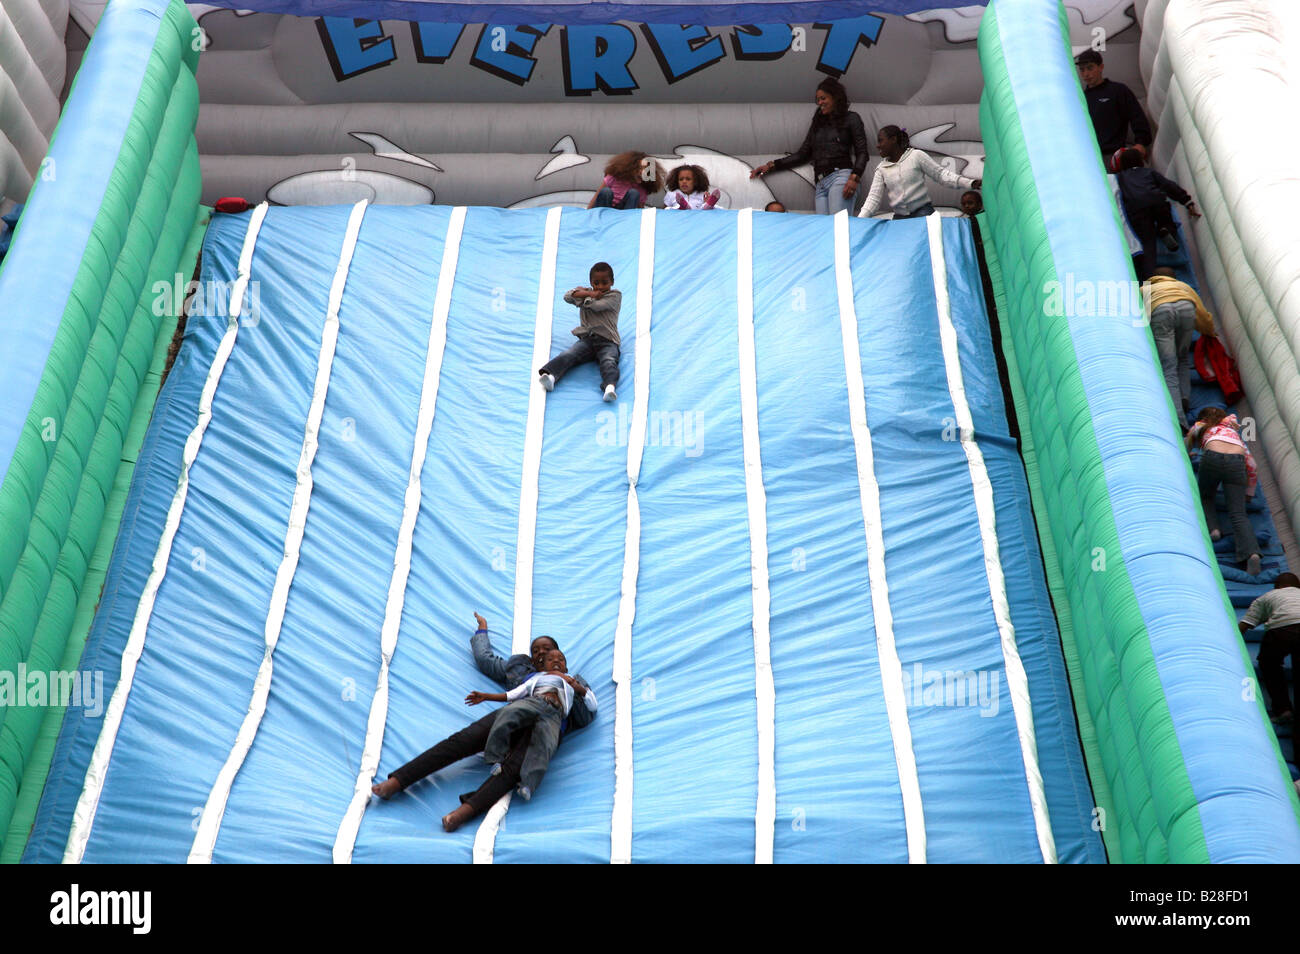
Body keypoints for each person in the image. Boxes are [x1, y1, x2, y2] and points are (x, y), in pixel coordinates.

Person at [371, 613, 596, 831]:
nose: (541, 653)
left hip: (546, 728)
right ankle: (399, 781)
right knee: (460, 741)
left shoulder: (572, 682)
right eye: (536, 651)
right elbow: (485, 659)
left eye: (548, 650)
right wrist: (482, 630)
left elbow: (586, 716)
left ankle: (464, 812)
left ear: (561, 658)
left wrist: (576, 690)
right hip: (513, 715)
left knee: (513, 772)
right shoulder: (522, 674)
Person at [468, 649, 595, 801]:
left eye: (560, 659)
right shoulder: (537, 679)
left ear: (566, 668)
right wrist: (487, 696)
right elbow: (513, 694)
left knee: (545, 744)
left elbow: (592, 705)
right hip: (535, 702)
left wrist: (576, 686)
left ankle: (528, 784)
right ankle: (495, 757)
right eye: (550, 659)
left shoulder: (571, 682)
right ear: (543, 667)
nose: (556, 661)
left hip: (555, 714)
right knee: (508, 714)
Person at [749, 77, 869, 215]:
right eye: (818, 100)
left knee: (838, 228)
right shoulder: (818, 122)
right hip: (821, 184)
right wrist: (771, 166)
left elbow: (862, 152)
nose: (820, 103)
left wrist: (854, 178)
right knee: (824, 231)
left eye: (823, 98)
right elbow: (803, 154)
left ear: (835, 97)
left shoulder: (851, 118)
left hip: (840, 177)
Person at [1186, 407, 1260, 575]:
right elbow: (1252, 465)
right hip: (1237, 460)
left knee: (1205, 496)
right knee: (1239, 513)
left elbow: (1186, 443)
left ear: (1204, 418)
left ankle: (1214, 529)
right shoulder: (1233, 432)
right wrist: (1249, 493)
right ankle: (1252, 553)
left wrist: (1188, 453)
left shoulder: (1201, 426)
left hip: (1212, 456)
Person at [538, 262, 622, 402]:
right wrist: (589, 293)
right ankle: (551, 377)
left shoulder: (615, 296)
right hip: (588, 339)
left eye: (604, 283)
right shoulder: (590, 293)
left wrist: (583, 295)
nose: (600, 287)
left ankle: (609, 387)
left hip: (608, 341)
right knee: (569, 354)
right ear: (591, 282)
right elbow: (567, 296)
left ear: (612, 282)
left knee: (609, 361)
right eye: (596, 283)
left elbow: (596, 306)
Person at [856, 125, 981, 220]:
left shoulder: (916, 155)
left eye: (880, 141)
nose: (877, 146)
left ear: (893, 140)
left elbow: (941, 175)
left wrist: (969, 183)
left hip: (923, 213)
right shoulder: (881, 168)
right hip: (900, 218)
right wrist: (860, 220)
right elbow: (873, 199)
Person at [1116, 147, 1201, 280]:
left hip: (1137, 208)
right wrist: (1187, 202)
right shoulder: (1149, 172)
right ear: (1140, 161)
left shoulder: (1121, 178)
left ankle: (1149, 276)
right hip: (1156, 200)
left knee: (1147, 242)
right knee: (1166, 218)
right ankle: (1166, 230)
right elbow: (1169, 186)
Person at [1144, 267, 1214, 419]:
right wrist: (1209, 331)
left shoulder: (1146, 288)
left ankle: (1178, 417)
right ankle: (1184, 398)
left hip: (1160, 309)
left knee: (1168, 365)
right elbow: (1202, 314)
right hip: (1186, 307)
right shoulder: (1183, 286)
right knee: (1182, 357)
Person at [1239, 573, 1300, 724]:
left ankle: (1283, 709)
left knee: (1269, 664)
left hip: (1281, 631)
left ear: (1276, 587)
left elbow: (1244, 625)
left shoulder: (1267, 596)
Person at [1074, 49, 1152, 158]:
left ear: (1101, 67)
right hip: (1089, 157)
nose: (1086, 74)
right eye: (1082, 70)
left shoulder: (1118, 91)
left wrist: (1141, 143)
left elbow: (1137, 117)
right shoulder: (1080, 98)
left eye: (1090, 68)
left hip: (1115, 155)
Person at [588, 151, 663, 210]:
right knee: (606, 191)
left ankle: (627, 219)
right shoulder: (614, 178)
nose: (642, 172)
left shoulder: (642, 188)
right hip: (606, 208)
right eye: (640, 168)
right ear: (631, 168)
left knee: (634, 193)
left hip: (623, 212)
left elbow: (640, 207)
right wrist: (587, 213)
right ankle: (601, 215)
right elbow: (597, 196)